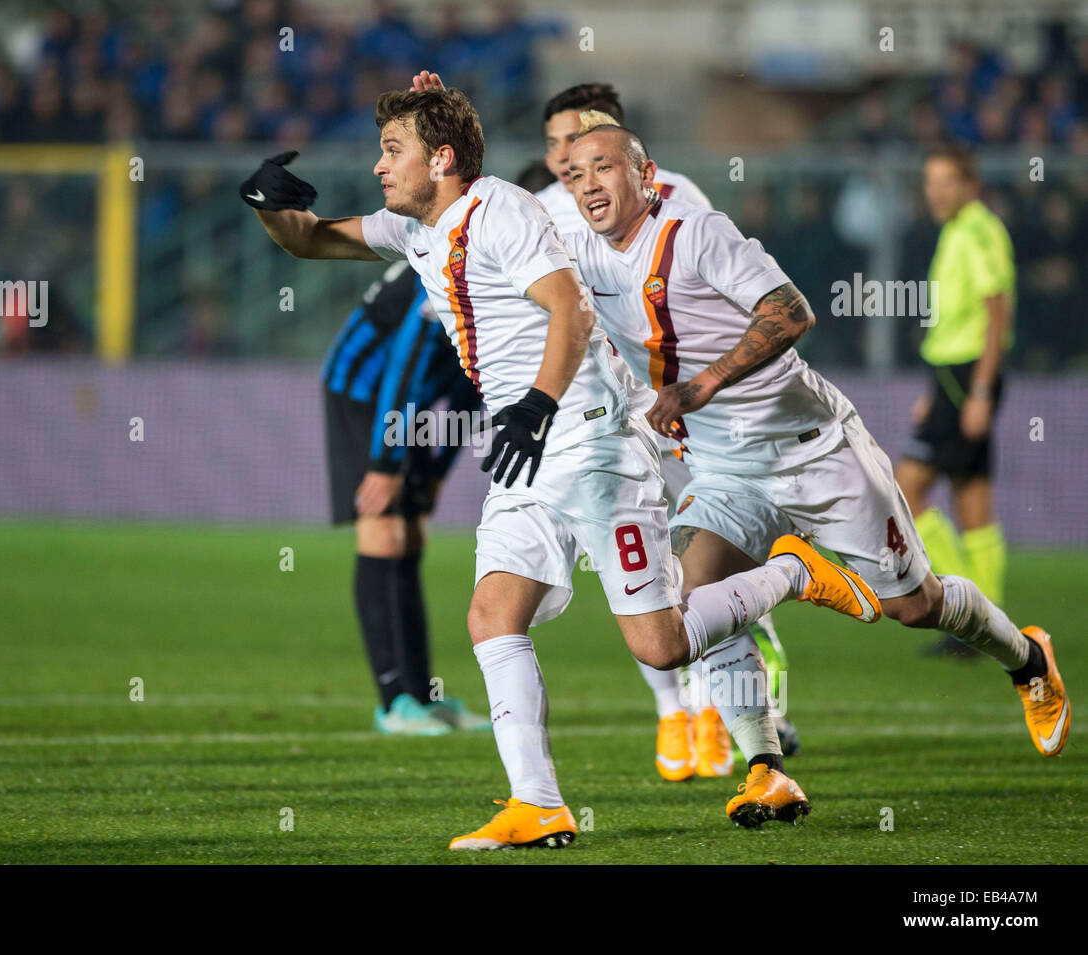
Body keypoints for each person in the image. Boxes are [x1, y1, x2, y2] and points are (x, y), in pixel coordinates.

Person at [240, 83, 882, 849]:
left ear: (441, 159)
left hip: (589, 436)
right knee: (491, 614)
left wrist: (540, 403)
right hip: (528, 448)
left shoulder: (503, 210)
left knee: (661, 644)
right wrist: (264, 201)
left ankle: (793, 572)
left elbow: (569, 308)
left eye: (393, 150)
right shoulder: (413, 228)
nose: (379, 167)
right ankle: (538, 803)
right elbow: (310, 239)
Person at [559, 117, 1069, 787]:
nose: (590, 183)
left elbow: (791, 311)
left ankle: (1029, 659)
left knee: (915, 604)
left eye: (605, 166)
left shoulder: (695, 234)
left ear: (644, 174)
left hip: (815, 450)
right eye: (577, 172)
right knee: (695, 598)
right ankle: (765, 768)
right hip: (729, 473)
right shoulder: (579, 254)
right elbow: (483, 232)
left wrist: (703, 385)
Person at [534, 82, 800, 778]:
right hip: (610, 421)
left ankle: (740, 711)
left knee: (706, 574)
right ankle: (675, 716)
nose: (571, 156)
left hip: (684, 418)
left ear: (623, 146)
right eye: (559, 143)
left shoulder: (677, 199)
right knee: (637, 569)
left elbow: (714, 295)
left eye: (585, 139)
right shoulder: (539, 212)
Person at [321, 260, 486, 735]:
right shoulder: (448, 266)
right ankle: (393, 703)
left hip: (401, 403)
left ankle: (422, 696)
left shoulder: (498, 268)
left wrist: (437, 467)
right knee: (384, 533)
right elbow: (403, 368)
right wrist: (385, 463)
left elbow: (472, 379)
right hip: (362, 394)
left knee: (411, 537)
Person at [894, 145, 1015, 657]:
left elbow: (997, 310)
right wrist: (933, 391)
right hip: (950, 378)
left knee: (906, 488)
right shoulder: (956, 229)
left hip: (968, 377)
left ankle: (964, 605)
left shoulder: (981, 229)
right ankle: (985, 625)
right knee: (973, 502)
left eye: (946, 181)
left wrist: (980, 391)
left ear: (970, 183)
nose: (936, 191)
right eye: (930, 181)